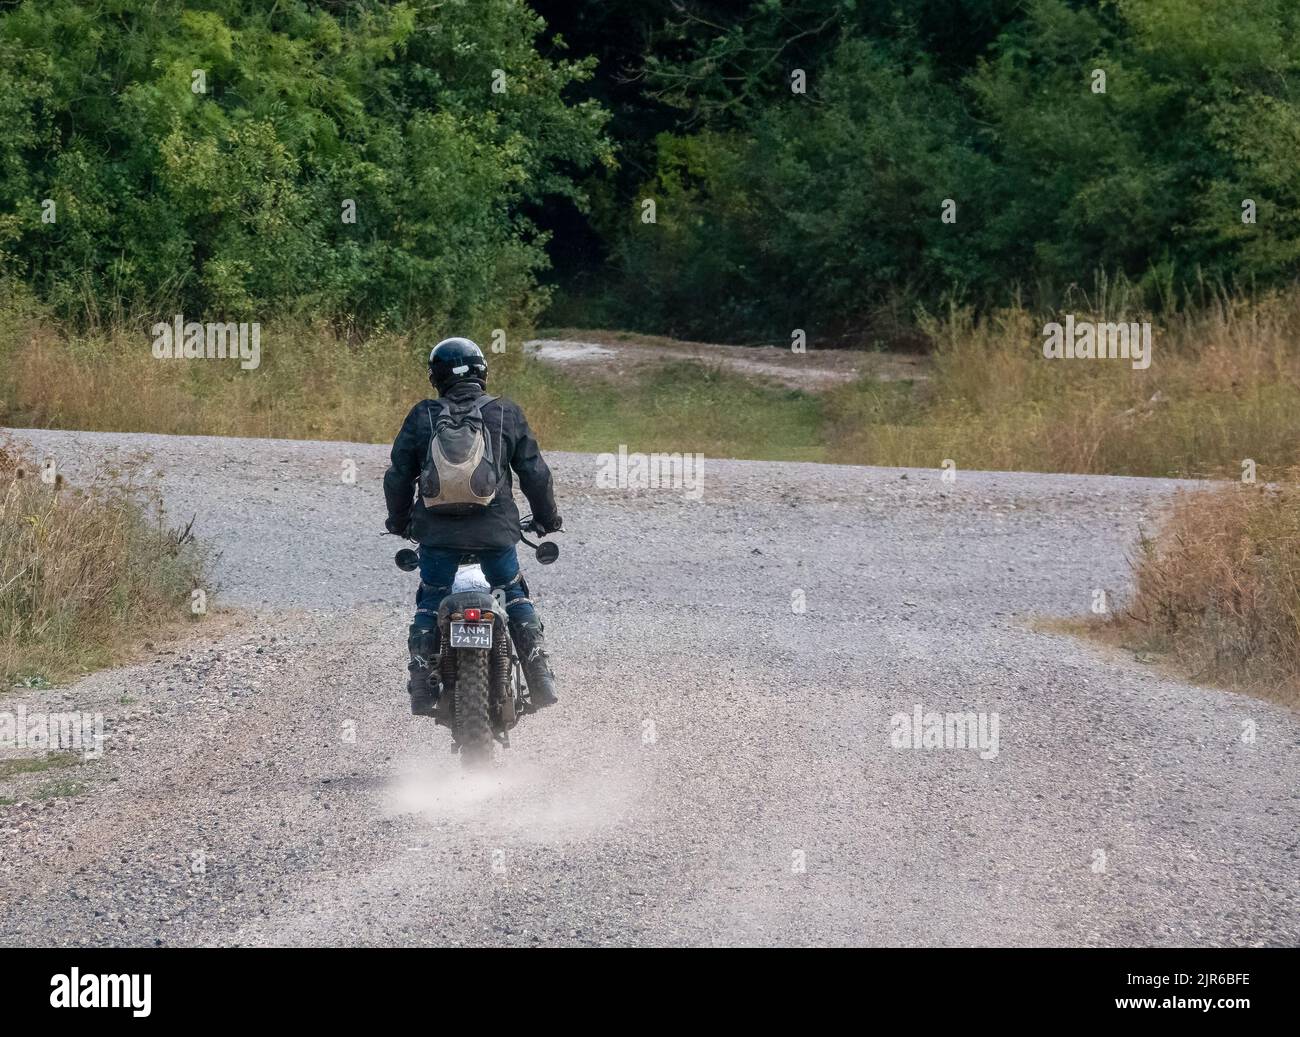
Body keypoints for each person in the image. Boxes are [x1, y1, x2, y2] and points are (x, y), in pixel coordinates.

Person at [383, 336, 562, 716]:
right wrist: (547, 519)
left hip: (437, 536)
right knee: (514, 594)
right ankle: (539, 672)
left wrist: (399, 522)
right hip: (496, 535)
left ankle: (421, 676)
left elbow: (398, 476)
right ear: (482, 372)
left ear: (436, 377)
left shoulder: (422, 415)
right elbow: (535, 473)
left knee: (431, 600)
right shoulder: (505, 413)